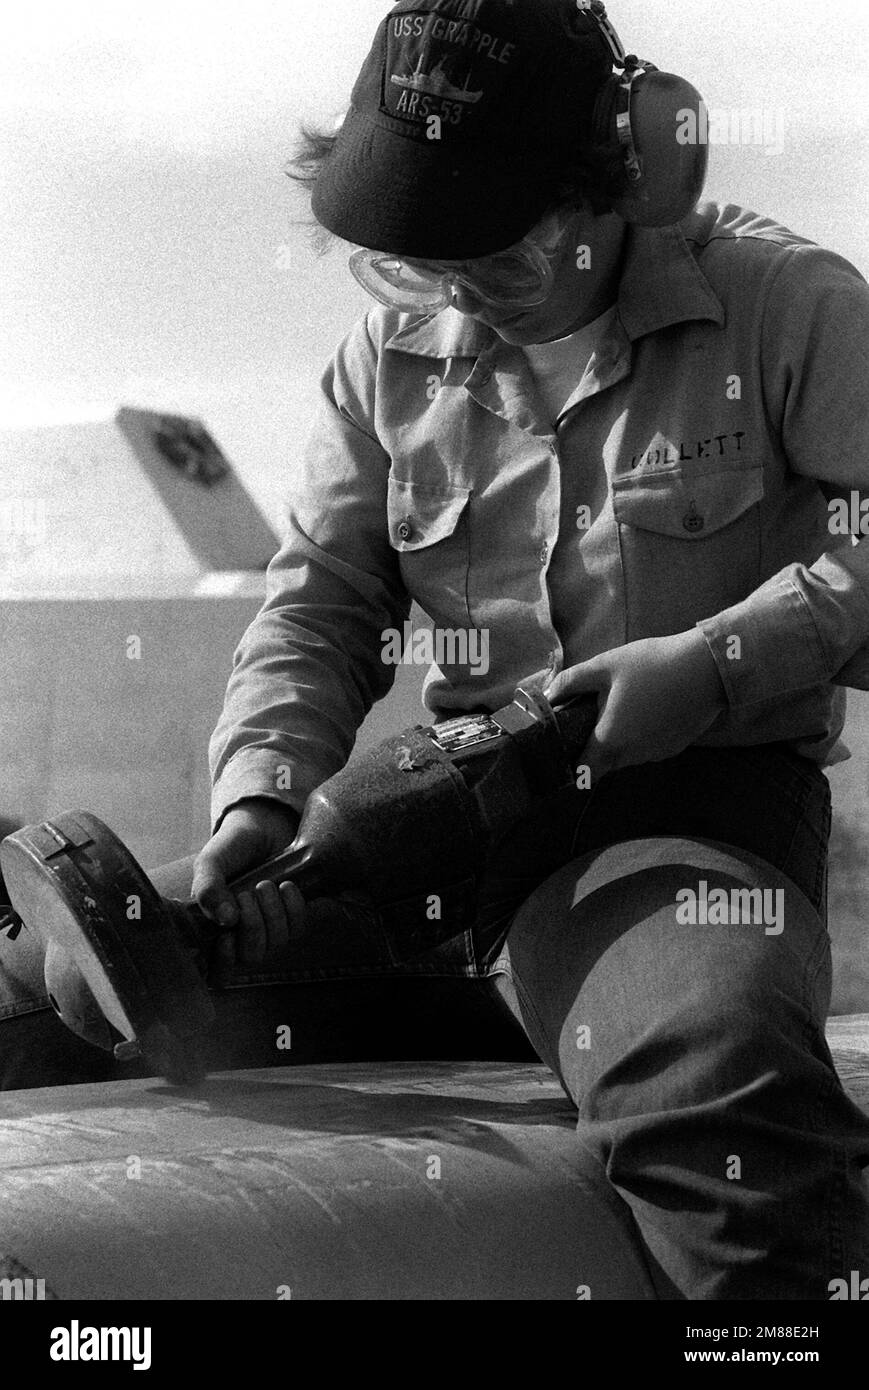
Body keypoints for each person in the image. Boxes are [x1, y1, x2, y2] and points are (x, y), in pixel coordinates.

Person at [2, 0, 869, 1300]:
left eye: (501, 257)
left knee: (715, 1088)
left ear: (620, 176)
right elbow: (321, 603)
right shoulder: (384, 360)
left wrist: (715, 662)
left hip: (682, 831)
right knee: (44, 983)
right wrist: (257, 801)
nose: (459, 296)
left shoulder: (787, 308)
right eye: (421, 264)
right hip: (426, 836)